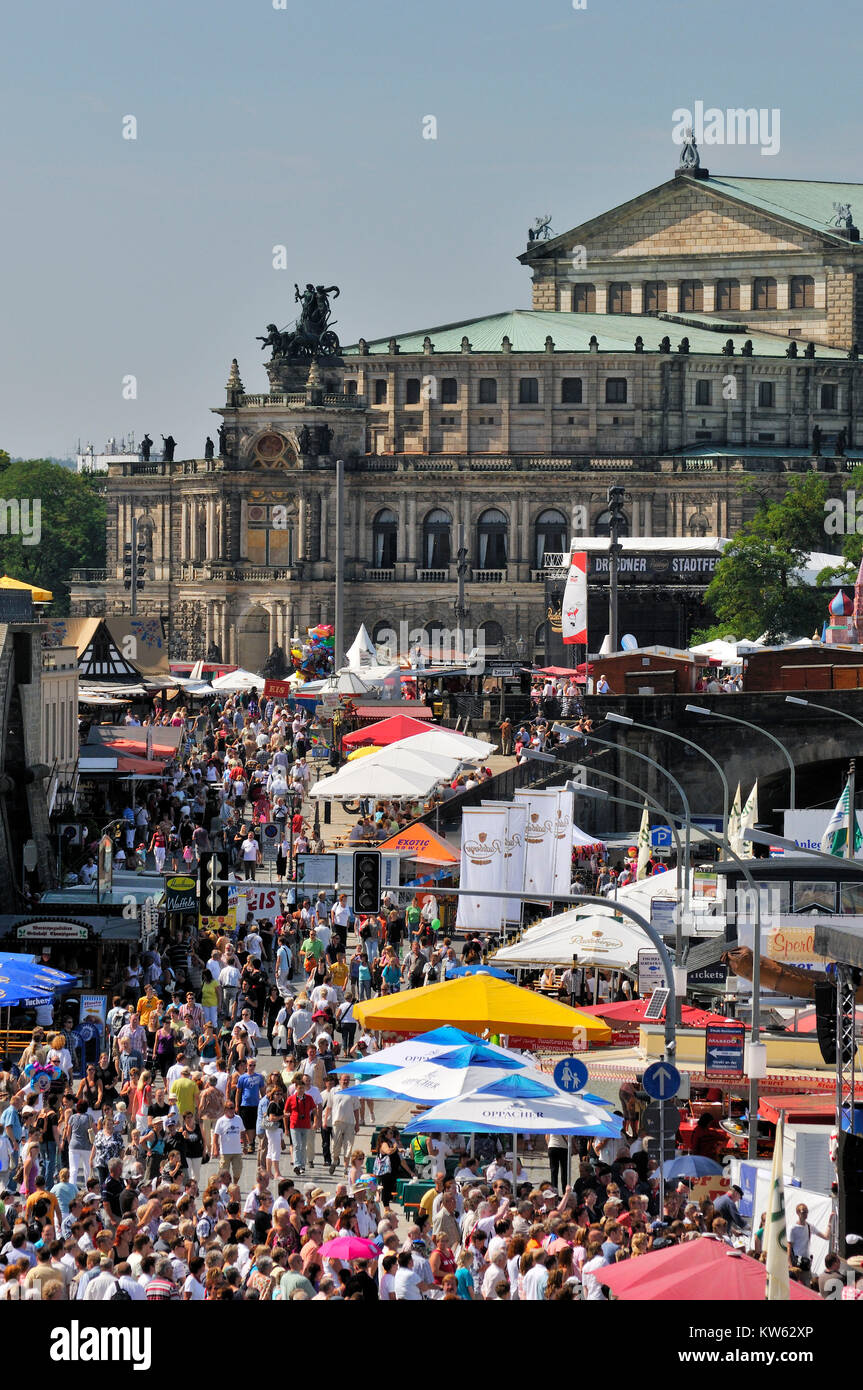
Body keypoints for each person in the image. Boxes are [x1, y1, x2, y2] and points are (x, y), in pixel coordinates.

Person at [787, 1201, 831, 1272]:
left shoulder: (809, 1226)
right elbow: (788, 1248)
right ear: (797, 1213)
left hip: (806, 1262)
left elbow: (826, 1237)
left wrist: (830, 1223)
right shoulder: (792, 1228)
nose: (805, 1214)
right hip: (796, 1261)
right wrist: (790, 1265)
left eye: (807, 1211)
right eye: (803, 1212)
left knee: (806, 1282)